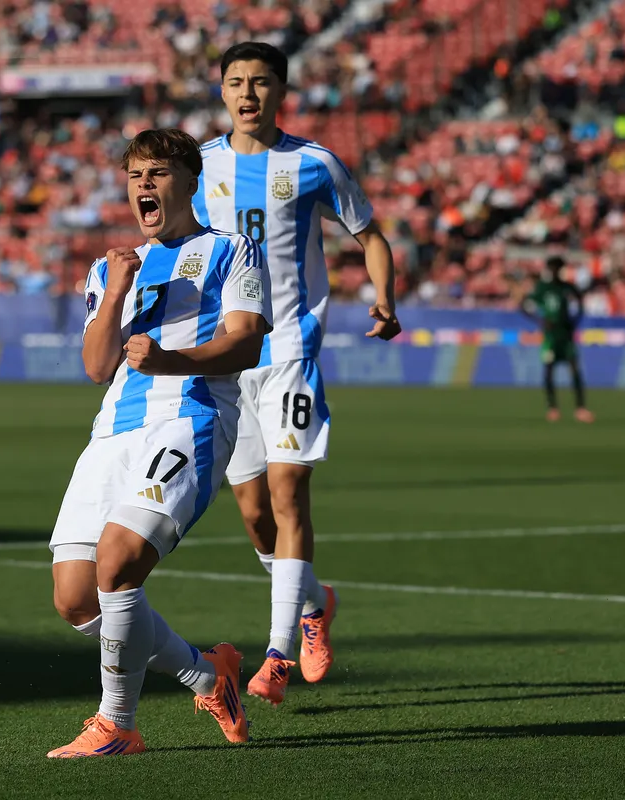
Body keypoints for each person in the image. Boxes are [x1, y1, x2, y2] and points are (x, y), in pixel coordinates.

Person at [47, 129, 272, 758]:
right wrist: (116, 291)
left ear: (190, 181)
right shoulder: (106, 266)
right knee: (74, 599)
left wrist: (170, 359)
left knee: (118, 565)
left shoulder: (232, 250)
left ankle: (117, 724)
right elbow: (96, 367)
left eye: (159, 172)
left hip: (192, 418)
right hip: (112, 432)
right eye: (136, 175)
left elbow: (247, 341)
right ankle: (208, 673)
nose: (144, 184)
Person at [192, 41, 401, 705]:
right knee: (256, 516)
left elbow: (369, 234)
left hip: (289, 352)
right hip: (229, 360)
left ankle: (278, 651)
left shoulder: (313, 163)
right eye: (235, 82)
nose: (247, 94)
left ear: (281, 91)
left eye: (259, 82)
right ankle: (316, 603)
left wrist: (384, 296)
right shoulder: (197, 167)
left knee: (288, 494)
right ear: (221, 92)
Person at [521, 256, 593, 423]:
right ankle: (552, 408)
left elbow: (580, 302)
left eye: (557, 268)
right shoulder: (542, 288)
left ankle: (580, 408)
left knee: (575, 371)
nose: (553, 271)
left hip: (566, 335)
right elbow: (523, 305)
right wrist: (540, 320)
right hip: (550, 337)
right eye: (551, 268)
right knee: (549, 372)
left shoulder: (567, 287)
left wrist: (575, 320)